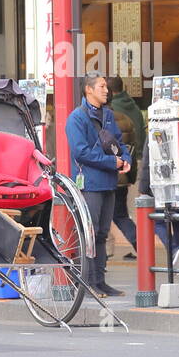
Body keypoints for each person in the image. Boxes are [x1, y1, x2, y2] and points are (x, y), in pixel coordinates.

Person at [66, 72, 132, 296]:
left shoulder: (108, 115)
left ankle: (101, 281)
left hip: (109, 182)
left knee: (102, 233)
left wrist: (126, 160)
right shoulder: (76, 117)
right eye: (101, 86)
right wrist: (110, 161)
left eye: (106, 86)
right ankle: (87, 282)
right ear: (89, 90)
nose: (106, 90)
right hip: (90, 184)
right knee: (90, 233)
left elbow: (119, 143)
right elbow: (80, 152)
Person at [137, 110, 179, 268]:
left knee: (159, 221)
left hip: (162, 182)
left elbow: (148, 161)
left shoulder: (156, 127)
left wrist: (143, 187)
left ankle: (175, 250)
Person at [107, 78, 139, 260]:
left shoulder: (101, 121)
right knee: (120, 215)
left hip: (105, 176)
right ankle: (140, 244)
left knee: (107, 218)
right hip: (123, 176)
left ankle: (100, 254)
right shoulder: (126, 118)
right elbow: (132, 147)